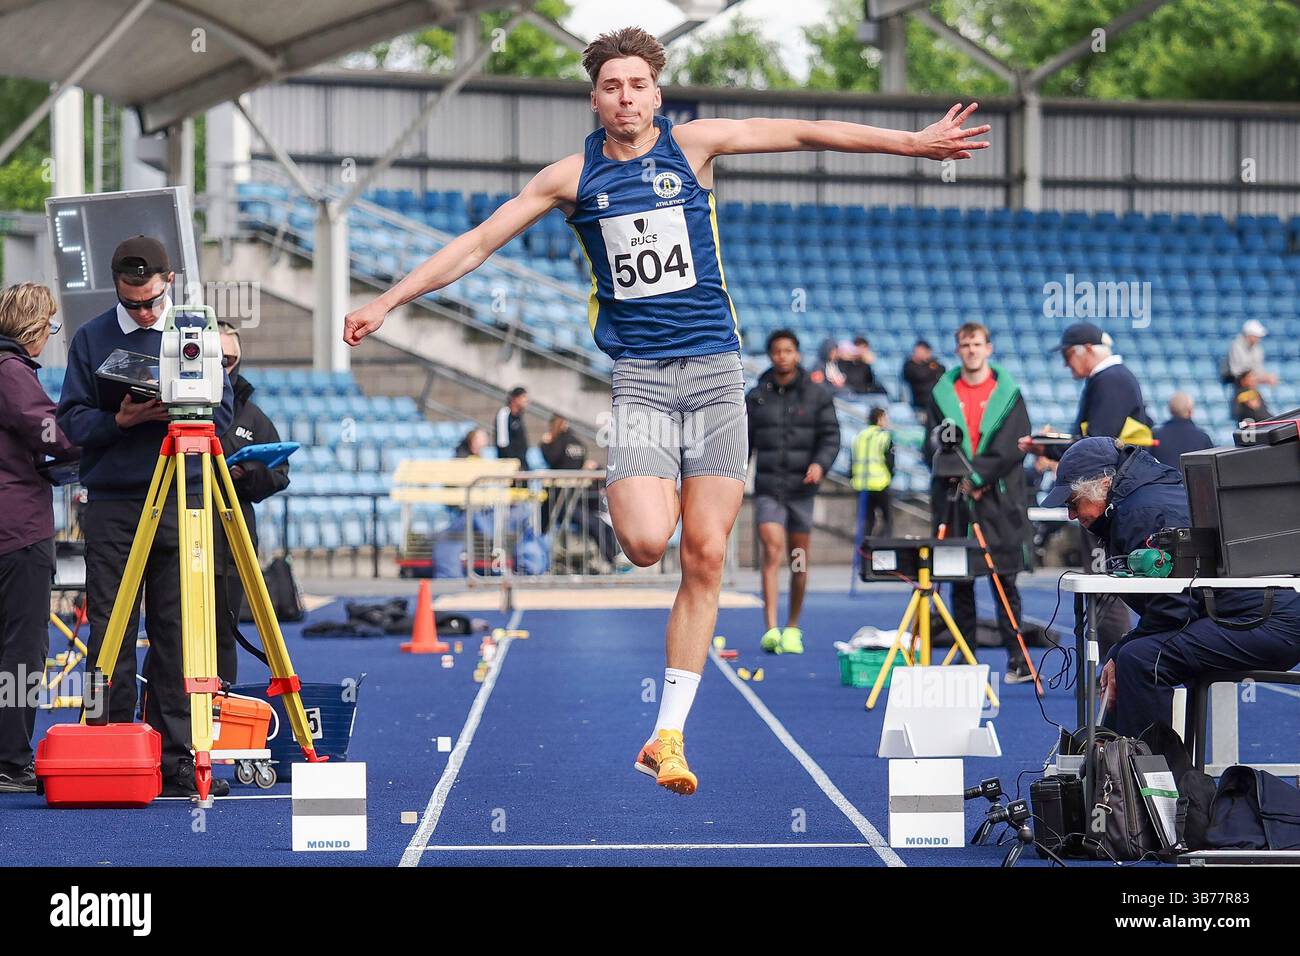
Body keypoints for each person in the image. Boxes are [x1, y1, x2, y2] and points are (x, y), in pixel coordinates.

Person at [343, 25, 989, 795]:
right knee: (649, 543)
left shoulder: (695, 146)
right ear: (595, 98)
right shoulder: (569, 178)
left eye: (638, 85)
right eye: (611, 86)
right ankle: (666, 531)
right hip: (643, 381)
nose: (626, 98)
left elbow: (809, 131)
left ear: (656, 92)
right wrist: (388, 299)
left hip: (717, 376)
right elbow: (478, 243)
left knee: (708, 556)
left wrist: (911, 146)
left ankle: (668, 734)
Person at [56, 236, 234, 799]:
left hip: (183, 499)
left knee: (178, 632)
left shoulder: (195, 333)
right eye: (133, 303)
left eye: (152, 300)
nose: (144, 312)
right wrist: (123, 420)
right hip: (113, 504)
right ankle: (105, 745)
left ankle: (177, 758)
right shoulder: (90, 338)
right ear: (116, 289)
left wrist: (186, 402)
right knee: (110, 627)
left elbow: (225, 415)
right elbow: (72, 422)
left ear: (171, 281)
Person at [1042, 438, 1300, 740]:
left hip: (1267, 621)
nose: (1071, 515)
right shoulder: (1139, 498)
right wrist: (1120, 649)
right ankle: (1116, 762)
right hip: (1255, 613)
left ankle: (1150, 775)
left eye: (1073, 503)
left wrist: (1124, 649)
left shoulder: (1142, 511)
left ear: (1102, 483)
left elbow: (1175, 606)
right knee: (1127, 654)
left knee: (1140, 660)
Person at [1018, 321, 1154, 657]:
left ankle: (1111, 665)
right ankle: (1110, 664)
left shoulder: (1110, 380)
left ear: (1088, 350)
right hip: (1106, 496)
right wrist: (1050, 446)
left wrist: (1049, 449)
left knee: (1104, 587)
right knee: (1102, 588)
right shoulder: (1111, 380)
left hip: (1104, 499)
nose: (1066, 364)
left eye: (1068, 355)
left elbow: (1097, 449)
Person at [0, 284, 78, 793]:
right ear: (34, 328)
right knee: (22, 651)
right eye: (49, 327)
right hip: (18, 529)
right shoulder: (12, 374)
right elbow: (50, 432)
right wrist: (104, 429)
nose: (51, 337)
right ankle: (10, 759)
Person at [926, 322, 1034, 683]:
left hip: (998, 502)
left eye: (976, 344)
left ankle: (1017, 660)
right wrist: (956, 476)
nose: (971, 350)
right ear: (958, 350)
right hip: (955, 502)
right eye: (964, 344)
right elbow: (934, 443)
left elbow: (1012, 446)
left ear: (988, 348)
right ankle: (965, 658)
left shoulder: (1009, 393)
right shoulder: (942, 392)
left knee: (1005, 582)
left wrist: (976, 478)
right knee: (961, 582)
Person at [746, 329, 840, 655]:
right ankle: (770, 628)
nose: (782, 356)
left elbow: (831, 437)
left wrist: (820, 465)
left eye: (787, 351)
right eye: (776, 351)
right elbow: (743, 442)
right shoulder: (757, 396)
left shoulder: (817, 395)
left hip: (802, 491)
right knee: (772, 551)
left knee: (798, 562)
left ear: (797, 354)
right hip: (769, 489)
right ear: (771, 355)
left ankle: (793, 627)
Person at [212, 322, 290, 686]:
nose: (225, 366)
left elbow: (279, 473)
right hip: (178, 538)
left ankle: (221, 710)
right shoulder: (173, 408)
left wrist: (247, 473)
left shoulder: (253, 417)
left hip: (231, 542)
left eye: (231, 359)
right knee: (174, 633)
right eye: (217, 357)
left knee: (225, 633)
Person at [851, 406, 894, 542]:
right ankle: (883, 547)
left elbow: (852, 460)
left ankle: (864, 552)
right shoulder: (884, 436)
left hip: (862, 484)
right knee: (887, 520)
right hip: (880, 483)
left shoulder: (859, 436)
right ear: (879, 419)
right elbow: (890, 461)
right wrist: (890, 475)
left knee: (866, 521)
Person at [1151, 393, 1213, 470]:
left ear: (1170, 410)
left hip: (1164, 481)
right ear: (1190, 411)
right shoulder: (1203, 438)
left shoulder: (1155, 436)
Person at [902, 339, 945, 426]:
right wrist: (931, 369)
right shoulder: (909, 365)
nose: (917, 353)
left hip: (936, 404)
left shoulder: (933, 363)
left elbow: (942, 369)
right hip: (920, 406)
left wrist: (929, 365)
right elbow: (920, 375)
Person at [1225, 319, 1276, 387]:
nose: (1258, 338)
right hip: (1235, 380)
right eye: (1256, 336)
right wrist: (1258, 377)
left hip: (1251, 379)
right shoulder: (1236, 345)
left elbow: (1258, 367)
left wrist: (1264, 377)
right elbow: (1236, 371)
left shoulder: (1258, 348)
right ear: (1249, 335)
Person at [495, 386, 529, 464]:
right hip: (510, 463)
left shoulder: (518, 416)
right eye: (524, 397)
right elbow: (502, 442)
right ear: (515, 399)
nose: (526, 400)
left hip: (521, 461)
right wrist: (512, 462)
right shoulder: (504, 413)